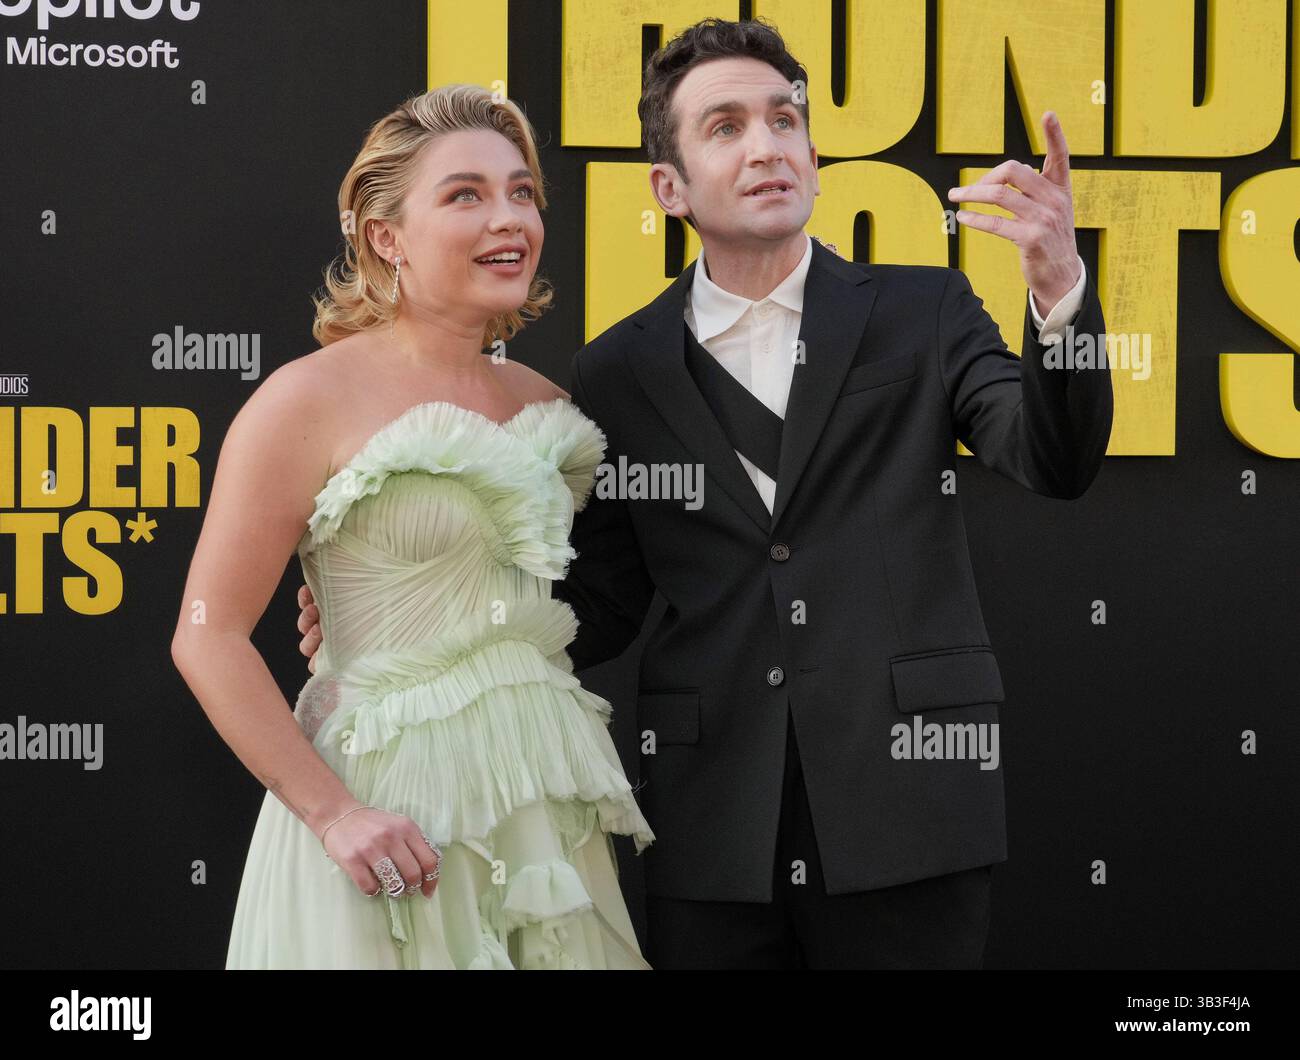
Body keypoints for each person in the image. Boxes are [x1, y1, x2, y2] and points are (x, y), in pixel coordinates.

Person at [300, 18, 1113, 969]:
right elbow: (601, 603)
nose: (766, 145)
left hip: (911, 804)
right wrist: (414, 622)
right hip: (715, 821)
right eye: (725, 126)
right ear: (668, 186)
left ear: (813, 154)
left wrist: (1061, 293)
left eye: (785, 120)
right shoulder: (618, 368)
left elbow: (1053, 459)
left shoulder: (923, 311)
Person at [171, 84, 654, 969]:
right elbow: (209, 638)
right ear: (385, 236)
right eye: (464, 194)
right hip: (388, 808)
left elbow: (568, 599)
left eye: (521, 192)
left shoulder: (546, 402)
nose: (508, 217)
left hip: (537, 807)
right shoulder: (304, 399)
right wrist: (335, 812)